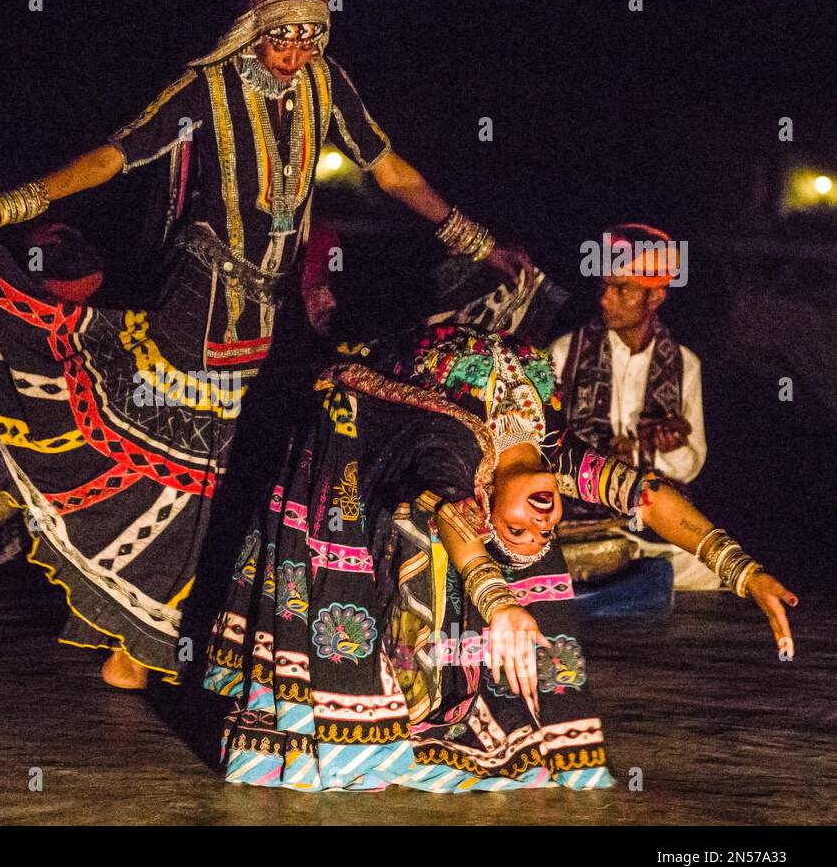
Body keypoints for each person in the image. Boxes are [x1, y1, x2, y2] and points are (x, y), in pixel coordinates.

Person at [0, 0, 536, 688]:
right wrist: (10, 204)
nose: (295, 52)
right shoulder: (204, 90)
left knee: (244, 478)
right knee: (175, 471)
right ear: (254, 30)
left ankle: (166, 643)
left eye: (310, 39)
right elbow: (115, 155)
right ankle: (135, 639)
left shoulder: (326, 85)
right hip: (198, 307)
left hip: (272, 319)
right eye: (283, 37)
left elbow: (389, 168)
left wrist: (478, 241)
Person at [204, 317, 798, 792]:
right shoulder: (500, 448)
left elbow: (642, 497)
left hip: (396, 446)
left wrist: (745, 573)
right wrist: (500, 601)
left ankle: (417, 703)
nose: (542, 529)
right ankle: (355, 711)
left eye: (525, 532)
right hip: (349, 420)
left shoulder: (502, 453)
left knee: (431, 535)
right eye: (538, 529)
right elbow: (463, 514)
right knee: (385, 537)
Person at [550, 224, 716, 598]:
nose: (605, 299)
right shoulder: (564, 353)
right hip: (578, 519)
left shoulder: (684, 364)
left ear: (655, 296)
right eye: (605, 286)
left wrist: (664, 450)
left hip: (649, 522)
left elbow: (694, 461)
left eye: (621, 288)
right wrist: (601, 459)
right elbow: (540, 442)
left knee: (703, 569)